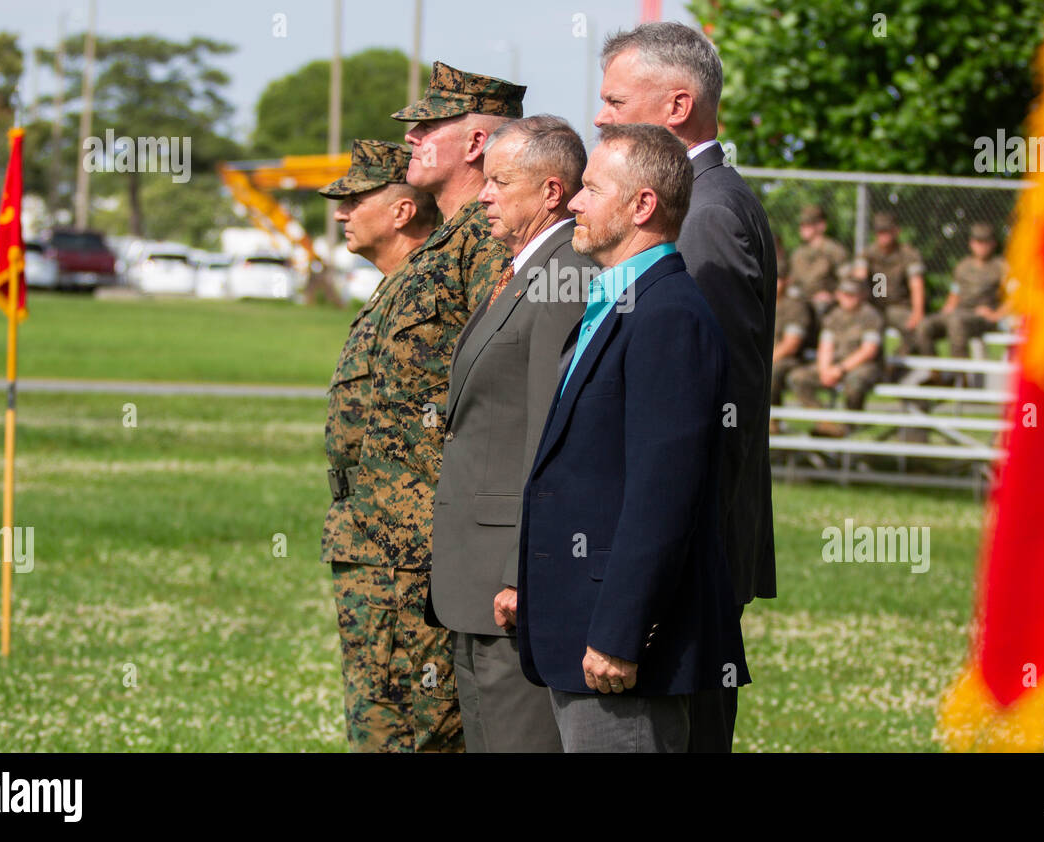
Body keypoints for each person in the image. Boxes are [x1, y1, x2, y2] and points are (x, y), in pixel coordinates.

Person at [516, 123, 749, 753]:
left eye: (591, 189)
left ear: (642, 205)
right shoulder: (620, 301)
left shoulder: (668, 312)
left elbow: (662, 495)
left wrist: (621, 633)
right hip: (577, 629)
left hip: (620, 651)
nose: (572, 203)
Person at [594, 21, 774, 752]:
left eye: (613, 99)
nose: (599, 115)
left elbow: (705, 406)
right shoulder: (702, 199)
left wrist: (666, 549)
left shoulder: (701, 215)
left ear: (675, 106)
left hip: (689, 545)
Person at [427, 115, 589, 753]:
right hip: (476, 573)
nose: (484, 194)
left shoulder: (563, 270)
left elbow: (551, 433)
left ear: (550, 192)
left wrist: (524, 566)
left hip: (508, 579)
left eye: (499, 181)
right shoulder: (523, 267)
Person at [319, 139, 455, 752]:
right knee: (377, 712)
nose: (341, 213)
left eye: (354, 199)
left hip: (404, 547)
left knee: (409, 722)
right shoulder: (392, 288)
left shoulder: (425, 287)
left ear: (402, 212)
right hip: (371, 536)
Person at [789, 276, 885, 430]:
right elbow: (826, 345)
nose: (847, 298)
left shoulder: (871, 316)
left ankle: (850, 426)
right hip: (835, 365)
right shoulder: (833, 316)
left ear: (862, 295)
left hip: (862, 366)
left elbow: (869, 351)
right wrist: (824, 369)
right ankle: (825, 423)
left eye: (852, 294)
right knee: (798, 378)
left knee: (855, 383)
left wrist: (839, 369)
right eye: (844, 293)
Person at [916, 222, 1009, 363]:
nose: (981, 246)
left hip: (982, 318)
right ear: (971, 243)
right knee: (924, 325)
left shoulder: (1001, 268)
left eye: (985, 242)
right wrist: (946, 311)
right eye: (978, 241)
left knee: (956, 322)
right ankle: (936, 376)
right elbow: (954, 294)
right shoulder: (963, 266)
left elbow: (1015, 298)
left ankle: (960, 377)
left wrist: (996, 315)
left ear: (993, 243)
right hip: (959, 312)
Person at [860, 212, 926, 351]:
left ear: (896, 231)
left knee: (920, 331)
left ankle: (901, 366)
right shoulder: (868, 253)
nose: (883, 236)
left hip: (899, 306)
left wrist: (918, 311)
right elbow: (859, 278)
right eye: (879, 232)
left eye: (887, 231)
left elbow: (916, 284)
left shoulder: (908, 254)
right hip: (875, 306)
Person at [789, 204, 849, 315]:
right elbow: (793, 282)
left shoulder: (834, 250)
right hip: (803, 301)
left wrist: (832, 296)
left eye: (808, 225)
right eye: (802, 225)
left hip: (828, 304)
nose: (803, 228)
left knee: (822, 306)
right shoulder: (798, 254)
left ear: (821, 225)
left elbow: (847, 281)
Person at [772, 252, 815, 406]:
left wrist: (765, 362)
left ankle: (772, 421)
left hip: (789, 359)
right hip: (765, 358)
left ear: (787, 281)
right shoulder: (760, 302)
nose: (773, 282)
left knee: (772, 371)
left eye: (778, 278)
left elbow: (791, 345)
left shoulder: (796, 306)